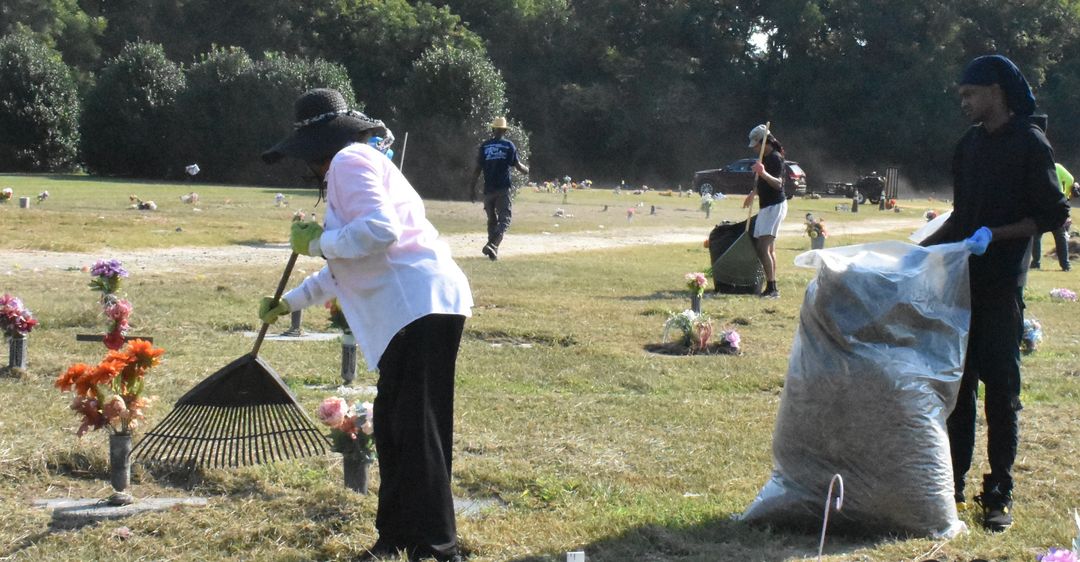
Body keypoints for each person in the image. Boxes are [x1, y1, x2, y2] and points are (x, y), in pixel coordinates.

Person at [260, 88, 473, 562]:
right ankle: (394, 538)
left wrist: (319, 243)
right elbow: (345, 267)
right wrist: (288, 303)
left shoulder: (349, 161)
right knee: (396, 430)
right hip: (414, 308)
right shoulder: (354, 164)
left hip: (418, 304)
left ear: (316, 148)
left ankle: (436, 549)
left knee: (416, 430)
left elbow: (380, 231)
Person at [919, 55, 1069, 532]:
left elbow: (1053, 215)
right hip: (961, 284)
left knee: (1001, 391)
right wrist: (915, 254)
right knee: (958, 388)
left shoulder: (1030, 142)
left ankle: (998, 492)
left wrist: (996, 234)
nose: (963, 102)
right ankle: (952, 486)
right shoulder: (968, 146)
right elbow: (961, 219)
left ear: (996, 93)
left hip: (1003, 285)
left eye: (970, 94)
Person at [468, 117, 529, 261]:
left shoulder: (485, 146)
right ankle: (493, 245)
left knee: (492, 220)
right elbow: (518, 166)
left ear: (493, 129)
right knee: (505, 220)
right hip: (503, 189)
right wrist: (527, 170)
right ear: (505, 131)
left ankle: (492, 251)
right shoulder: (508, 146)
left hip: (488, 190)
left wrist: (471, 188)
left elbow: (477, 169)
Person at [742, 124, 788, 299]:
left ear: (764, 142)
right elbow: (762, 184)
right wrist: (752, 193)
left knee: (762, 248)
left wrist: (763, 173)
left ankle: (772, 289)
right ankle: (771, 285)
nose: (754, 148)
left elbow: (778, 184)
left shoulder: (775, 158)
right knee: (768, 249)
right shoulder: (765, 157)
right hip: (766, 206)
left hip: (774, 206)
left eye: (756, 144)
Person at [1030, 162, 1073, 271]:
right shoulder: (1057, 166)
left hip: (1041, 206)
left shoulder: (1037, 168)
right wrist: (1065, 195)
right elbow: (1070, 179)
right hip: (1057, 205)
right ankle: (1065, 265)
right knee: (1060, 236)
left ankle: (1036, 263)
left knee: (1037, 235)